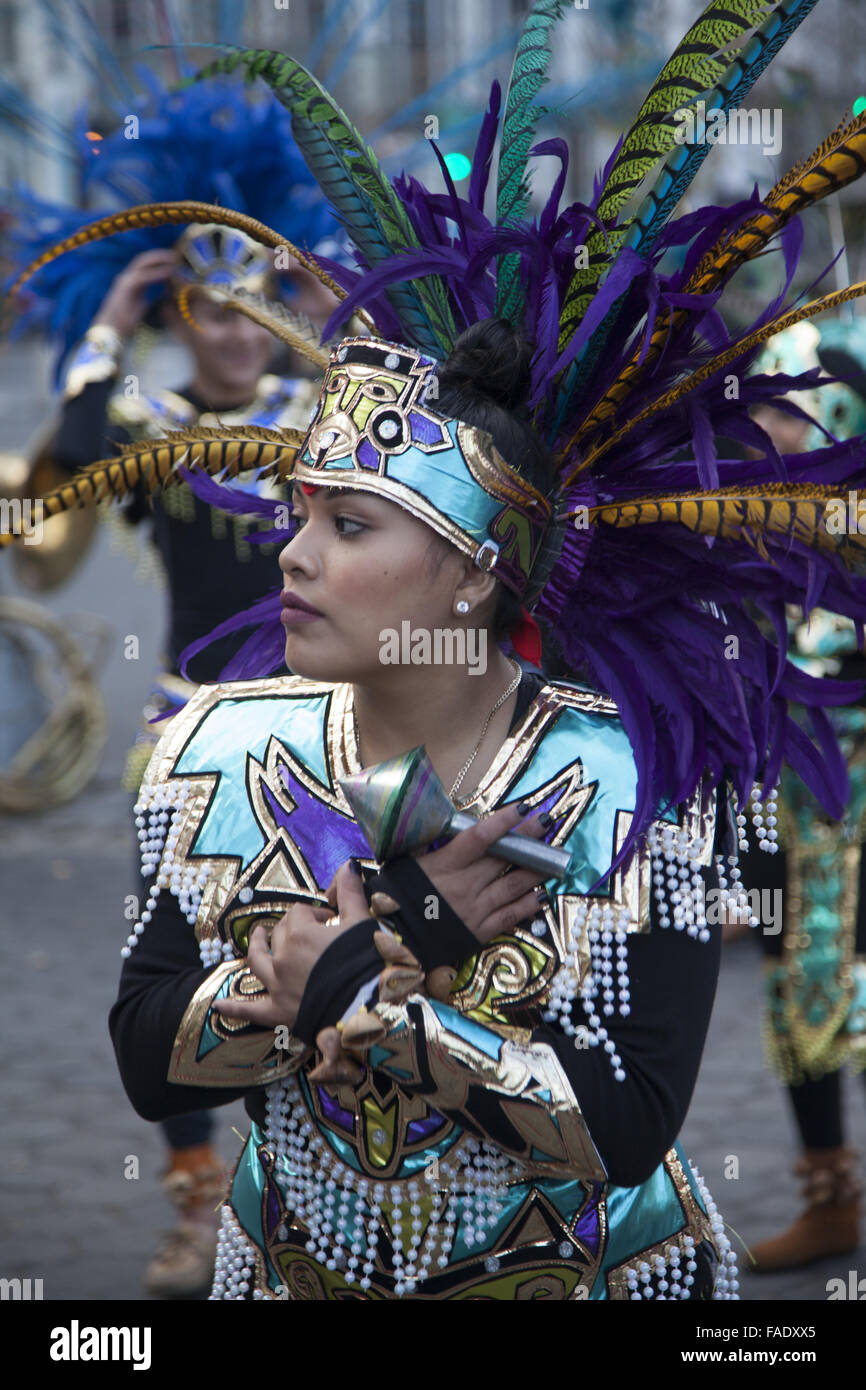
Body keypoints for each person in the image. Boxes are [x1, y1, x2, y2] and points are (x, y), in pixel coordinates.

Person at [9, 5, 866, 1299]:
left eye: (347, 524)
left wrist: (361, 978)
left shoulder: (631, 780)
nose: (290, 555)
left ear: (475, 572)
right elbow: (143, 1061)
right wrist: (409, 924)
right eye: (296, 513)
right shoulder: (212, 743)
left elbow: (628, 1121)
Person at [4, 72, 338, 1299]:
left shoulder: (318, 417)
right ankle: (195, 1204)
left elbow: (405, 400)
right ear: (183, 319)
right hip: (188, 734)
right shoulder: (152, 423)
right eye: (208, 311)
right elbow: (73, 462)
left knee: (317, 955)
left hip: (319, 729)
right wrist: (108, 317)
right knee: (180, 963)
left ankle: (302, 1190)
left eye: (257, 311)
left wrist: (332, 302)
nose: (237, 332)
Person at [741, 320, 866, 1271]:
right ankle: (832, 1198)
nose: (773, 432)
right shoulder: (728, 525)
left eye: (791, 409)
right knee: (794, 986)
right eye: (760, 410)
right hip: (777, 798)